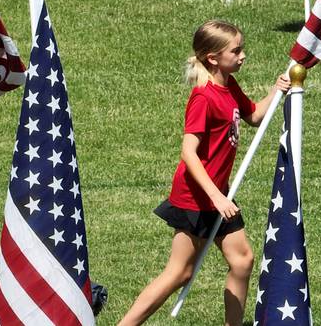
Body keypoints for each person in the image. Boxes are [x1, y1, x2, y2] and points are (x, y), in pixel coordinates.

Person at [117, 20, 291, 326]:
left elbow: (252, 115)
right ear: (213, 57)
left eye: (242, 49)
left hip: (218, 195)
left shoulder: (228, 85)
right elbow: (188, 152)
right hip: (196, 198)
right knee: (179, 273)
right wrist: (216, 197)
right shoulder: (204, 97)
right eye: (236, 51)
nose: (243, 55)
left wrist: (276, 91)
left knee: (242, 260)